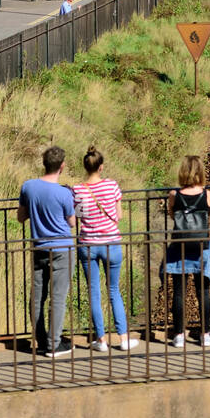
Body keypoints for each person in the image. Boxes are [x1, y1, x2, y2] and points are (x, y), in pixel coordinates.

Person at [73, 146, 137, 352]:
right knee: (114, 290)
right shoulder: (111, 186)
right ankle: (124, 338)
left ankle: (101, 340)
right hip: (111, 243)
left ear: (85, 167)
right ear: (101, 167)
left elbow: (78, 219)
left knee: (94, 292)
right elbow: (118, 216)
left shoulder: (78, 190)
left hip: (89, 244)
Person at [17, 146, 76, 358]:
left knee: (37, 296)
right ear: (62, 166)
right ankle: (53, 344)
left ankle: (41, 339)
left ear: (44, 163)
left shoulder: (29, 187)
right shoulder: (64, 193)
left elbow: (20, 216)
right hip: (62, 248)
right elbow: (71, 222)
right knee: (58, 297)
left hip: (38, 246)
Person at [166, 155, 210, 347]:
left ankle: (179, 334)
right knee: (203, 291)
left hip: (180, 245)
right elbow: (208, 213)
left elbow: (172, 214)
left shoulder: (174, 195)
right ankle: (205, 334)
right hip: (201, 246)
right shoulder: (207, 195)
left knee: (179, 291)